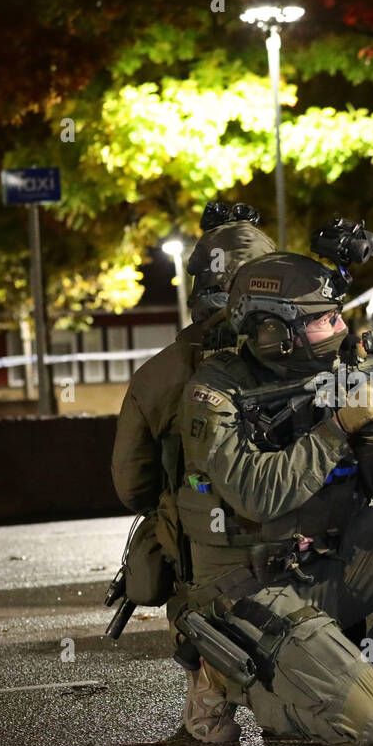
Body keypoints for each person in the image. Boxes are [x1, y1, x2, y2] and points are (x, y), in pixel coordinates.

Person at [171, 250, 373, 746]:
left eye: (337, 314)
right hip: (247, 591)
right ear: (274, 330)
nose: (340, 328)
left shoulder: (340, 374)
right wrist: (339, 427)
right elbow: (255, 494)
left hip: (323, 569)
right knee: (367, 726)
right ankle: (223, 672)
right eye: (324, 320)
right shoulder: (215, 391)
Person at [110, 203, 275, 626]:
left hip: (202, 571)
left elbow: (133, 487)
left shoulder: (157, 374)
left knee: (207, 674)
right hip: (301, 558)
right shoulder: (306, 356)